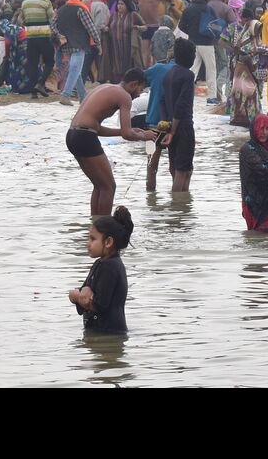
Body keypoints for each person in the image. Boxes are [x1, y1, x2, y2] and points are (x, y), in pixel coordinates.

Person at [65, 70, 158, 215]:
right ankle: (104, 228)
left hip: (73, 135)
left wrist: (129, 131)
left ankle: (95, 226)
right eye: (140, 90)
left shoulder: (104, 88)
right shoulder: (124, 96)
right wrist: (144, 135)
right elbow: (127, 134)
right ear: (133, 84)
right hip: (84, 137)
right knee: (109, 187)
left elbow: (96, 128)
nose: (139, 94)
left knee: (99, 185)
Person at [70, 207, 133, 335]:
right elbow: (85, 292)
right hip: (100, 333)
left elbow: (99, 305)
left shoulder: (111, 267)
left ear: (108, 242)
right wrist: (80, 294)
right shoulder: (100, 263)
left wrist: (77, 295)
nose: (88, 244)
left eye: (93, 239)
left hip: (110, 334)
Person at [161, 38, 197, 195]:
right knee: (183, 170)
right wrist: (174, 131)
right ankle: (177, 208)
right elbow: (181, 106)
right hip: (183, 127)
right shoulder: (188, 76)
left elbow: (163, 102)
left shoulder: (168, 74)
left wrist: (168, 129)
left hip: (170, 126)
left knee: (179, 168)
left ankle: (181, 209)